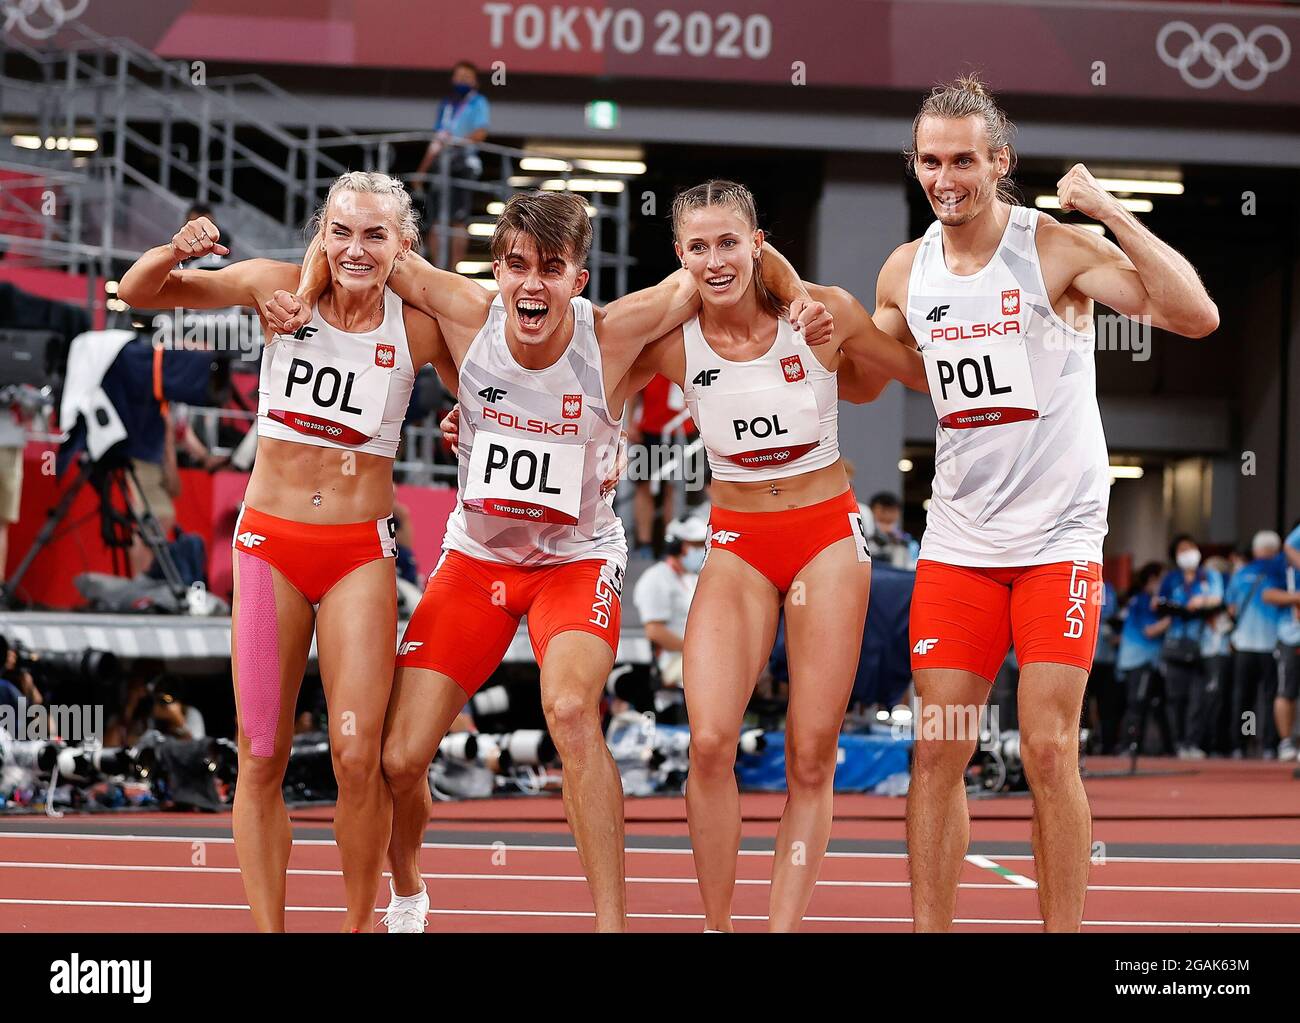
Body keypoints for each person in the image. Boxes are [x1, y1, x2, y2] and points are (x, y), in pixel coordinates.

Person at [280, 188, 835, 933]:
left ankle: (610, 923)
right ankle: (408, 890)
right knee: (400, 756)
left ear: (578, 277)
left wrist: (796, 299)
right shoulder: (464, 312)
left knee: (571, 710)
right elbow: (363, 249)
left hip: (575, 564)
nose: (530, 285)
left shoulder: (611, 336)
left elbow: (730, 256)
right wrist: (301, 293)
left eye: (551, 268)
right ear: (496, 269)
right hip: (476, 561)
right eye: (515, 266)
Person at [877, 75, 1219, 932]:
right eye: (929, 159)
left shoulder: (1052, 249)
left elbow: (1195, 314)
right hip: (959, 545)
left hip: (1057, 545)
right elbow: (873, 363)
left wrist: (1108, 209)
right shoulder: (905, 269)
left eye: (963, 158)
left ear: (1001, 161)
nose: (944, 175)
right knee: (938, 750)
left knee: (1046, 747)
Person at [119, 171, 457, 932]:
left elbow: (496, 380)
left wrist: (466, 418)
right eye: (341, 231)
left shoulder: (420, 324)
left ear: (404, 244)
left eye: (375, 234)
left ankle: (357, 924)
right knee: (262, 753)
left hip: (357, 557)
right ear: (320, 234)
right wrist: (178, 248)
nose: (355, 249)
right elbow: (140, 292)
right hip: (269, 545)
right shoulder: (274, 288)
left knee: (353, 756)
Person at [616, 179, 928, 931]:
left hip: (824, 537)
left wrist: (868, 332)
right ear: (680, 257)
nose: (716, 259)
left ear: (759, 244)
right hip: (737, 541)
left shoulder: (821, 311)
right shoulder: (671, 340)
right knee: (712, 741)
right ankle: (718, 925)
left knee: (810, 756)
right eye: (698, 246)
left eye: (730, 241)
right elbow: (579, 383)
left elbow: (909, 373)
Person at [415, 61, 491, 269]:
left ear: (475, 82)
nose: (462, 81)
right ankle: (436, 270)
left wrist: (457, 144)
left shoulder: (478, 103)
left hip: (463, 165)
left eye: (467, 77)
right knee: (437, 220)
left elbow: (480, 133)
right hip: (442, 165)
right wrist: (421, 172)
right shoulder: (446, 104)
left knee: (458, 221)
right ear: (453, 79)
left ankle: (454, 270)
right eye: (459, 76)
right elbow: (438, 140)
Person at [1156, 535, 1223, 759]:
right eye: (1182, 550)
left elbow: (1217, 599)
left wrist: (1201, 602)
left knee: (1198, 698)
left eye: (1191, 548)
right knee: (1176, 698)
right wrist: (1174, 607)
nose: (1188, 553)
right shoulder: (1171, 578)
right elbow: (1157, 603)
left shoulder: (1209, 575)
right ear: (1176, 556)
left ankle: (1193, 742)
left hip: (1202, 645)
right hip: (1175, 643)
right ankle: (1178, 743)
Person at [1225, 531, 1288, 758]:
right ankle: (1270, 745)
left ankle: (1242, 744)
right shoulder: (1281, 572)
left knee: (1245, 698)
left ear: (1255, 549)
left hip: (1244, 645)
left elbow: (1231, 609)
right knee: (1272, 697)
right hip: (1272, 644)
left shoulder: (1241, 573)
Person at [632, 516, 707, 688]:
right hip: (672, 661)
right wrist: (696, 651)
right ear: (677, 546)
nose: (700, 550)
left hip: (695, 656)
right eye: (695, 545)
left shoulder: (692, 579)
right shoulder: (656, 577)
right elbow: (655, 631)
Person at [627, 374, 695, 557]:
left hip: (677, 428)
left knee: (669, 488)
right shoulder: (649, 352)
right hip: (649, 428)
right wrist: (631, 423)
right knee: (644, 486)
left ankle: (667, 541)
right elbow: (634, 390)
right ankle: (644, 542)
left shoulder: (685, 351)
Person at [1118, 563, 1173, 756]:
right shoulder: (1142, 600)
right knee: (1136, 703)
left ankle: (1167, 749)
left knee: (1158, 706)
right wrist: (1173, 618)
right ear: (1152, 580)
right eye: (1162, 579)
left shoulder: (1149, 600)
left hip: (1150, 662)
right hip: (1139, 661)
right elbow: (1150, 631)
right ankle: (1128, 747)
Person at [1085, 578, 1121, 754]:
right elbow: (1106, 613)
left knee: (1101, 705)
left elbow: (1106, 613)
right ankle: (1097, 744)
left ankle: (1100, 744)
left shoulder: (1101, 585)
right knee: (1092, 706)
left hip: (1097, 658)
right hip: (1093, 657)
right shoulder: (1099, 585)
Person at [1276, 522, 1300, 761]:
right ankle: (1285, 742)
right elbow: (1267, 593)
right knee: (1287, 691)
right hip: (1291, 636)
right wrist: (1296, 597)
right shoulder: (1282, 566)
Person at [864, 491, 917, 568]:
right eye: (883, 510)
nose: (887, 515)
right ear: (871, 511)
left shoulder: (908, 541)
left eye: (892, 511)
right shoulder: (863, 536)